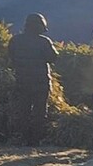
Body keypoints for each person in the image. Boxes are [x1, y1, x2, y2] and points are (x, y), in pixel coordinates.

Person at [8, 13, 58, 145]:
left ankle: (23, 138)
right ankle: (36, 140)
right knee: (39, 111)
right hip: (41, 81)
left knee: (23, 110)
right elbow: (53, 58)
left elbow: (11, 58)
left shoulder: (15, 40)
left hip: (22, 80)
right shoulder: (44, 41)